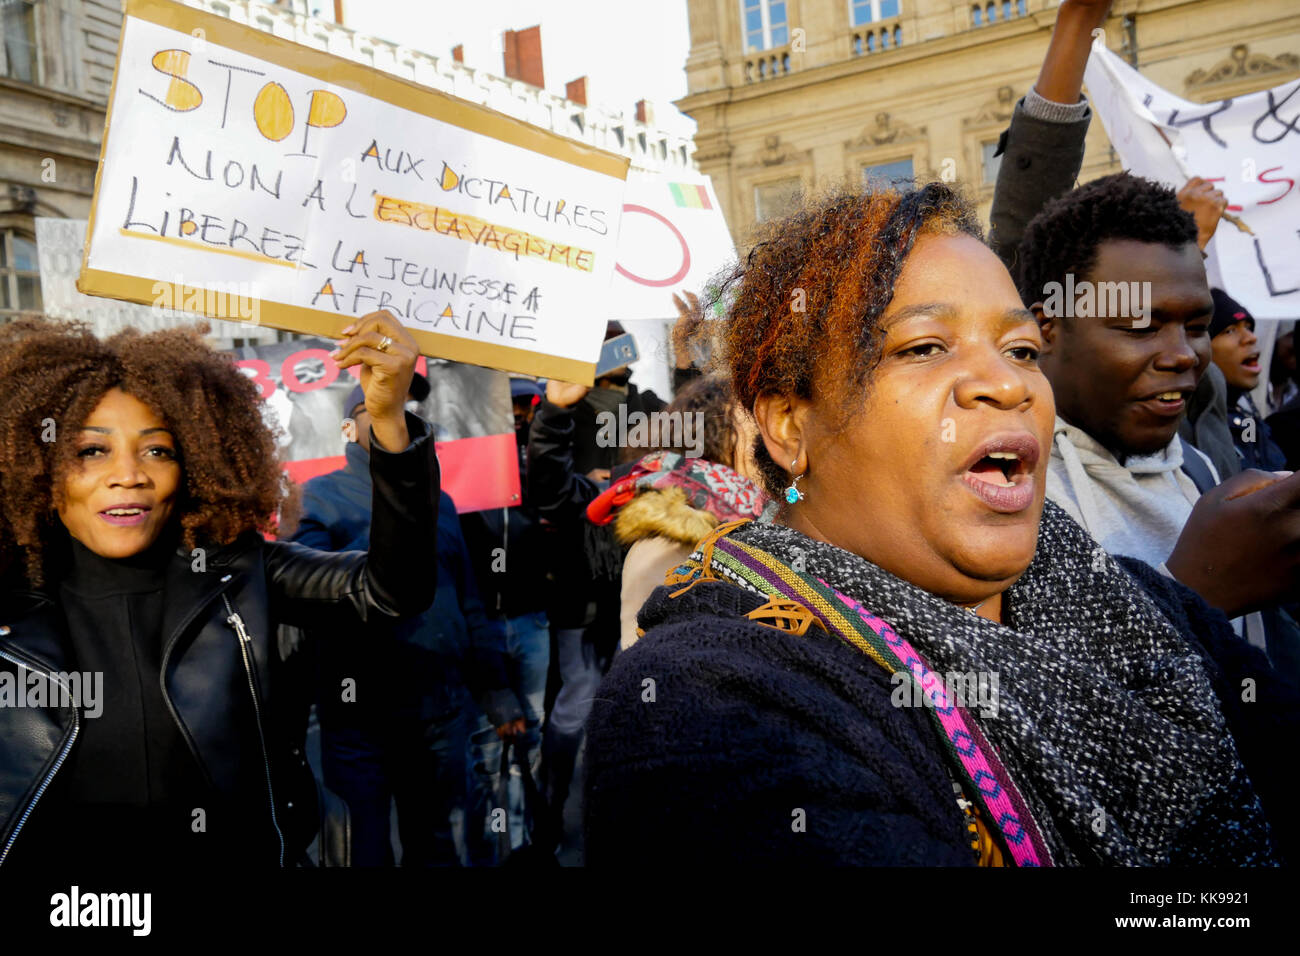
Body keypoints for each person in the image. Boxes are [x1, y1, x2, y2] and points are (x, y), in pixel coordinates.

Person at [584, 182, 1296, 866]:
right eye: (924, 347)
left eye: (1020, 350)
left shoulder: (1138, 600)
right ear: (788, 423)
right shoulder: (706, 699)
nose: (1010, 382)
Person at [0, 311, 439, 867]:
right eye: (92, 451)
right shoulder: (11, 606)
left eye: (157, 450)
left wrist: (390, 423)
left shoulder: (240, 574)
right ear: (37, 466)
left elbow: (389, 590)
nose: (128, 474)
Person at [989, 0, 1300, 652]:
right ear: (1043, 327)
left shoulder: (1202, 468)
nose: (1184, 354)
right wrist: (1201, 592)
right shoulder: (1004, 503)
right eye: (1139, 325)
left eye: (1195, 324)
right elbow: (1047, 725)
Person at [289, 375, 524, 866]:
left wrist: (497, 690)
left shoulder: (442, 502)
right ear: (348, 430)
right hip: (358, 720)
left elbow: (470, 602)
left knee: (438, 845)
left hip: (441, 712)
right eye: (378, 411)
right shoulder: (315, 499)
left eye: (406, 411)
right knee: (364, 850)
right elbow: (310, 602)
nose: (395, 419)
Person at [582, 375, 774, 651]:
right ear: (714, 442)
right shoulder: (668, 547)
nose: (771, 446)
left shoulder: (753, 517)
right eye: (756, 434)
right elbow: (655, 668)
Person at [1208, 289, 1288, 472]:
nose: (1251, 338)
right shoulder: (1187, 427)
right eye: (1230, 330)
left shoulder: (1247, 420)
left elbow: (1255, 464)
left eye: (1249, 327)